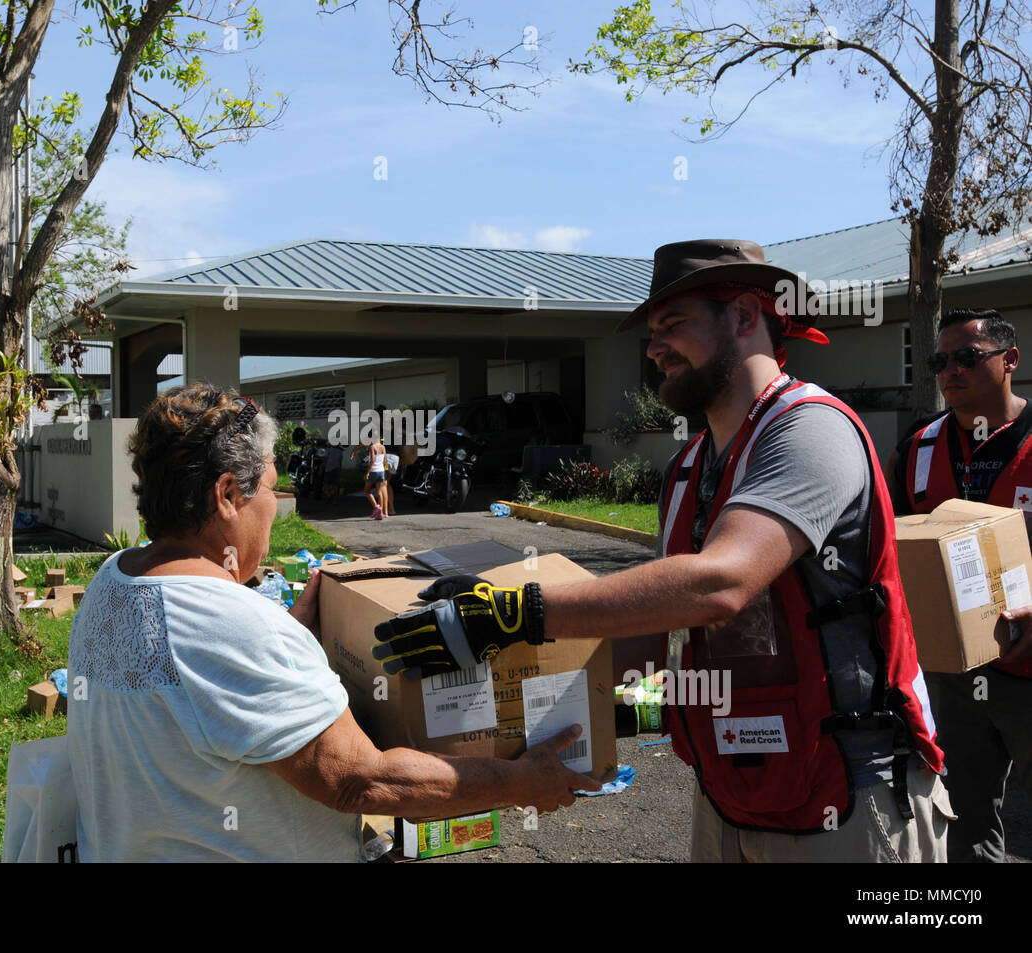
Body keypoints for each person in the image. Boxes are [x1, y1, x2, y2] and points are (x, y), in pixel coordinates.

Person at [375, 240, 952, 862]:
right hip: (729, 789)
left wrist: (514, 612)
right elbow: (643, 648)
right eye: (651, 332)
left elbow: (719, 583)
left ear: (744, 315)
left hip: (848, 795)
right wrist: (499, 723)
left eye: (673, 325)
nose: (653, 349)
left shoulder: (810, 429)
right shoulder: (687, 469)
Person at [66, 383, 591, 862]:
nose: (276, 505)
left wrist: (290, 637)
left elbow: (191, 701)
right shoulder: (233, 623)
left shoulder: (112, 580)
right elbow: (360, 782)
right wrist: (520, 782)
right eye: (271, 487)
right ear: (227, 496)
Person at [885, 307, 1032, 863]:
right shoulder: (917, 448)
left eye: (967, 357)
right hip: (951, 676)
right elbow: (887, 549)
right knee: (964, 820)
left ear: (1009, 360)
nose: (950, 370)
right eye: (939, 360)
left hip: (1029, 671)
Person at [364, 434, 388, 519]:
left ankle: (376, 507)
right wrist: (385, 471)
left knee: (366, 490)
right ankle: (380, 514)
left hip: (374, 471)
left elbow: (372, 460)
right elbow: (385, 460)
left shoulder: (372, 447)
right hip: (381, 471)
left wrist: (367, 472)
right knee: (379, 492)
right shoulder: (383, 447)